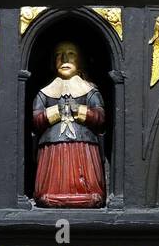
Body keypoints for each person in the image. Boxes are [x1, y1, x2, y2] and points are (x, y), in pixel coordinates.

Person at [31, 41, 106, 207]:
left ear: (80, 60)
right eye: (59, 54)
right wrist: (56, 111)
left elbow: (100, 117)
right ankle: (49, 194)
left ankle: (88, 193)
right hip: (53, 146)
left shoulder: (90, 90)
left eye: (71, 54)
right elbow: (36, 120)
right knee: (53, 183)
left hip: (83, 144)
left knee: (86, 182)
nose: (65, 58)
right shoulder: (45, 92)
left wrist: (79, 110)